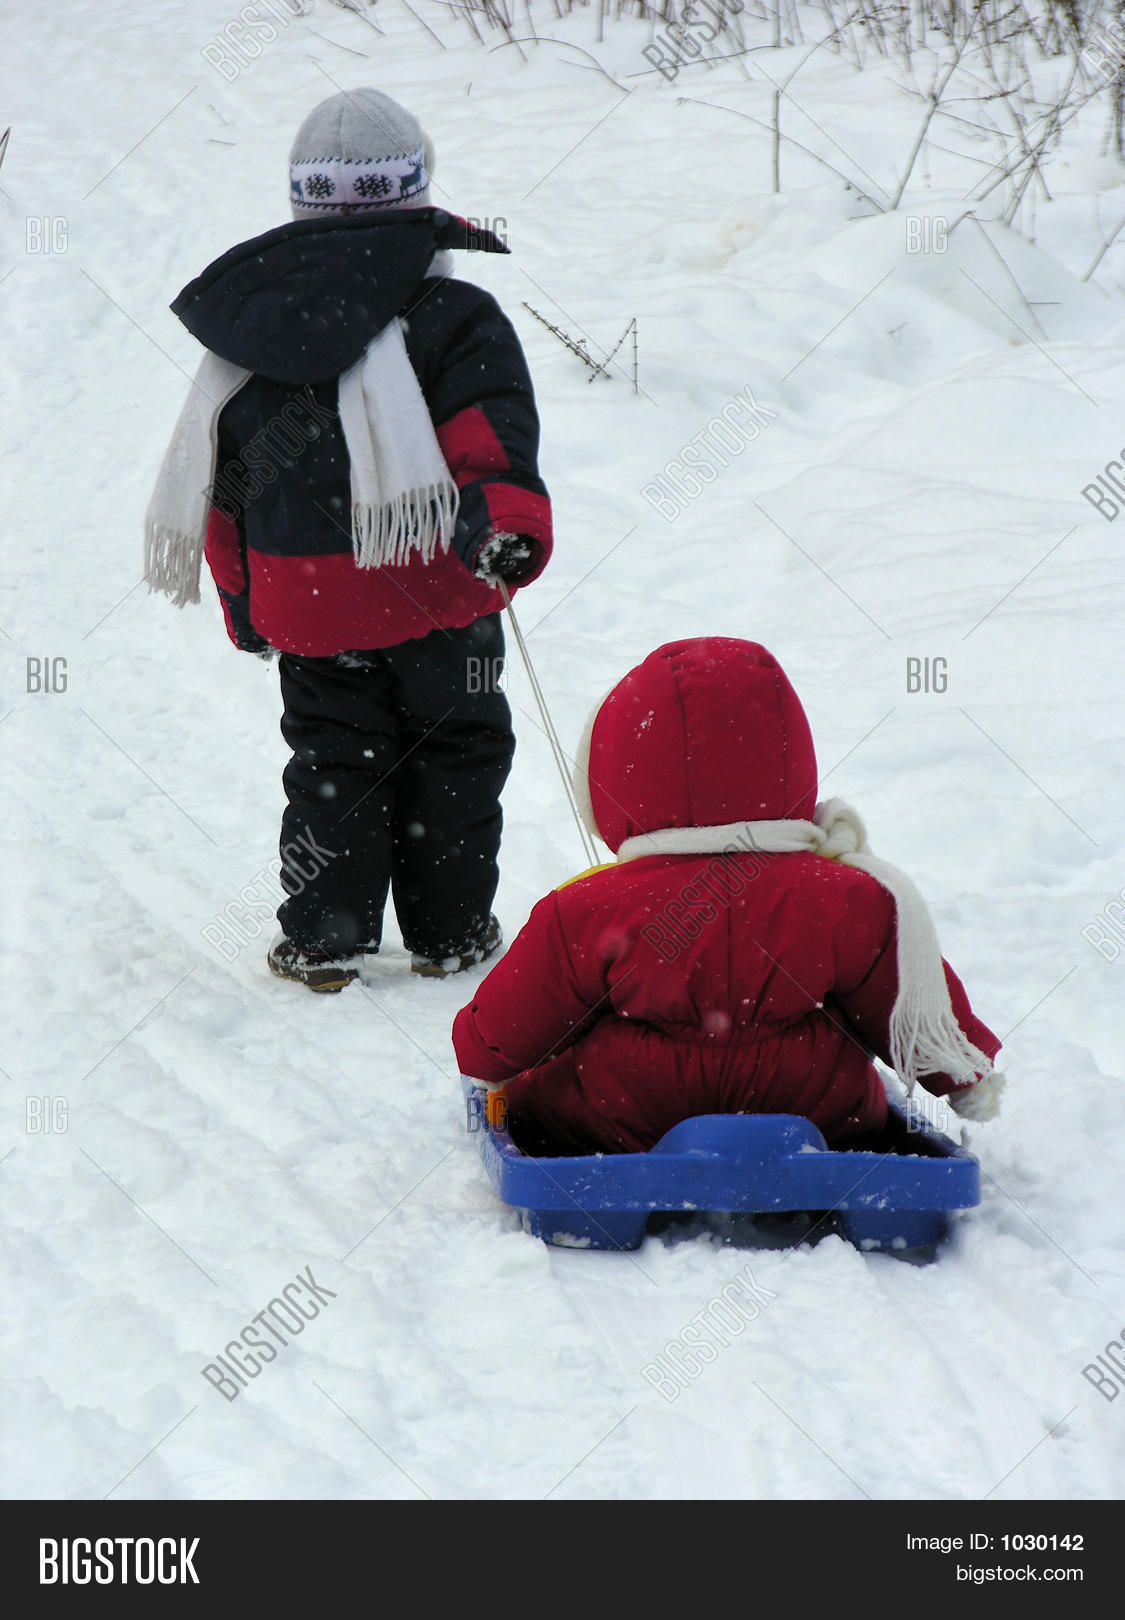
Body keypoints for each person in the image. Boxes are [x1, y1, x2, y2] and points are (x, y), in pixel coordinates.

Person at [145, 89, 552, 990]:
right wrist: (505, 524)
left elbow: (228, 483)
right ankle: (450, 932)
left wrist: (248, 603)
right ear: (413, 190)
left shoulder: (253, 326)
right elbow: (486, 432)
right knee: (456, 748)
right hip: (440, 589)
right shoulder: (451, 316)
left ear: (301, 201)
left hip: (310, 603)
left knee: (334, 759)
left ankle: (325, 939)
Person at [453, 637, 1005, 1154]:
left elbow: (505, 1030)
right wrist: (962, 1077)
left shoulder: (590, 908)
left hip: (625, 1116)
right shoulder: (846, 894)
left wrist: (484, 1054)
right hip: (813, 1113)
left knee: (545, 1088)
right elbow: (904, 999)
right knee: (847, 1075)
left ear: (617, 774)